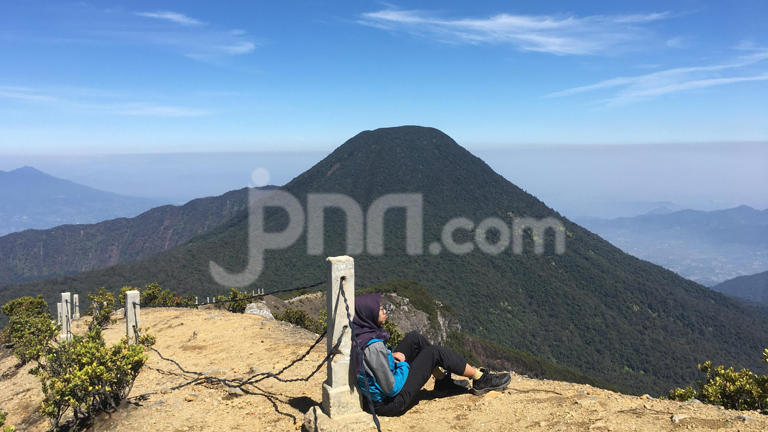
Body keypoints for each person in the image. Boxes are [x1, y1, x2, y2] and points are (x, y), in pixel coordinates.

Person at [352, 293, 511, 416]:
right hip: (391, 403)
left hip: (380, 395)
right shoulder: (374, 347)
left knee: (414, 338)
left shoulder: (362, 335)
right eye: (380, 309)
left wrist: (389, 358)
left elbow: (374, 365)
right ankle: (480, 379)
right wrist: (402, 365)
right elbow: (392, 388)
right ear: (369, 315)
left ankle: (443, 382)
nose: (384, 311)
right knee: (433, 352)